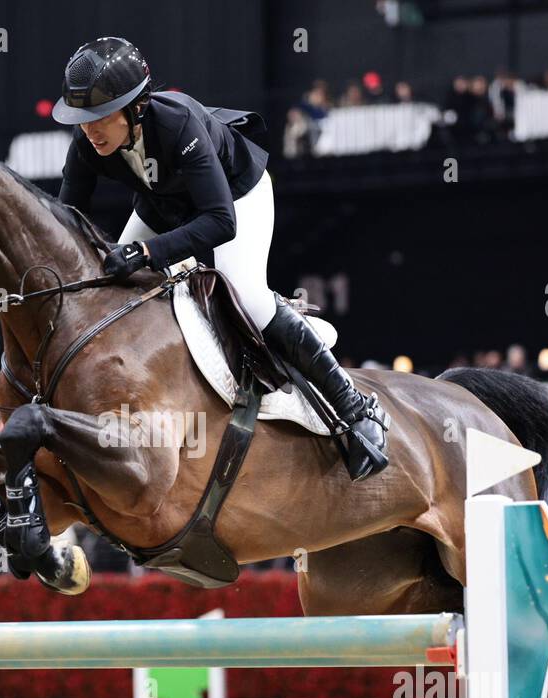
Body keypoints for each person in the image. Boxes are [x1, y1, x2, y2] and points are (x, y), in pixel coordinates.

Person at [51, 37, 388, 481]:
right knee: (109, 288)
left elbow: (219, 222)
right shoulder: (87, 144)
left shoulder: (178, 125)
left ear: (136, 108)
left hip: (237, 196)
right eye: (82, 119)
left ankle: (355, 409)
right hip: (163, 207)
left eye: (99, 117)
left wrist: (146, 252)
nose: (89, 130)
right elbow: (65, 218)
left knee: (246, 294)